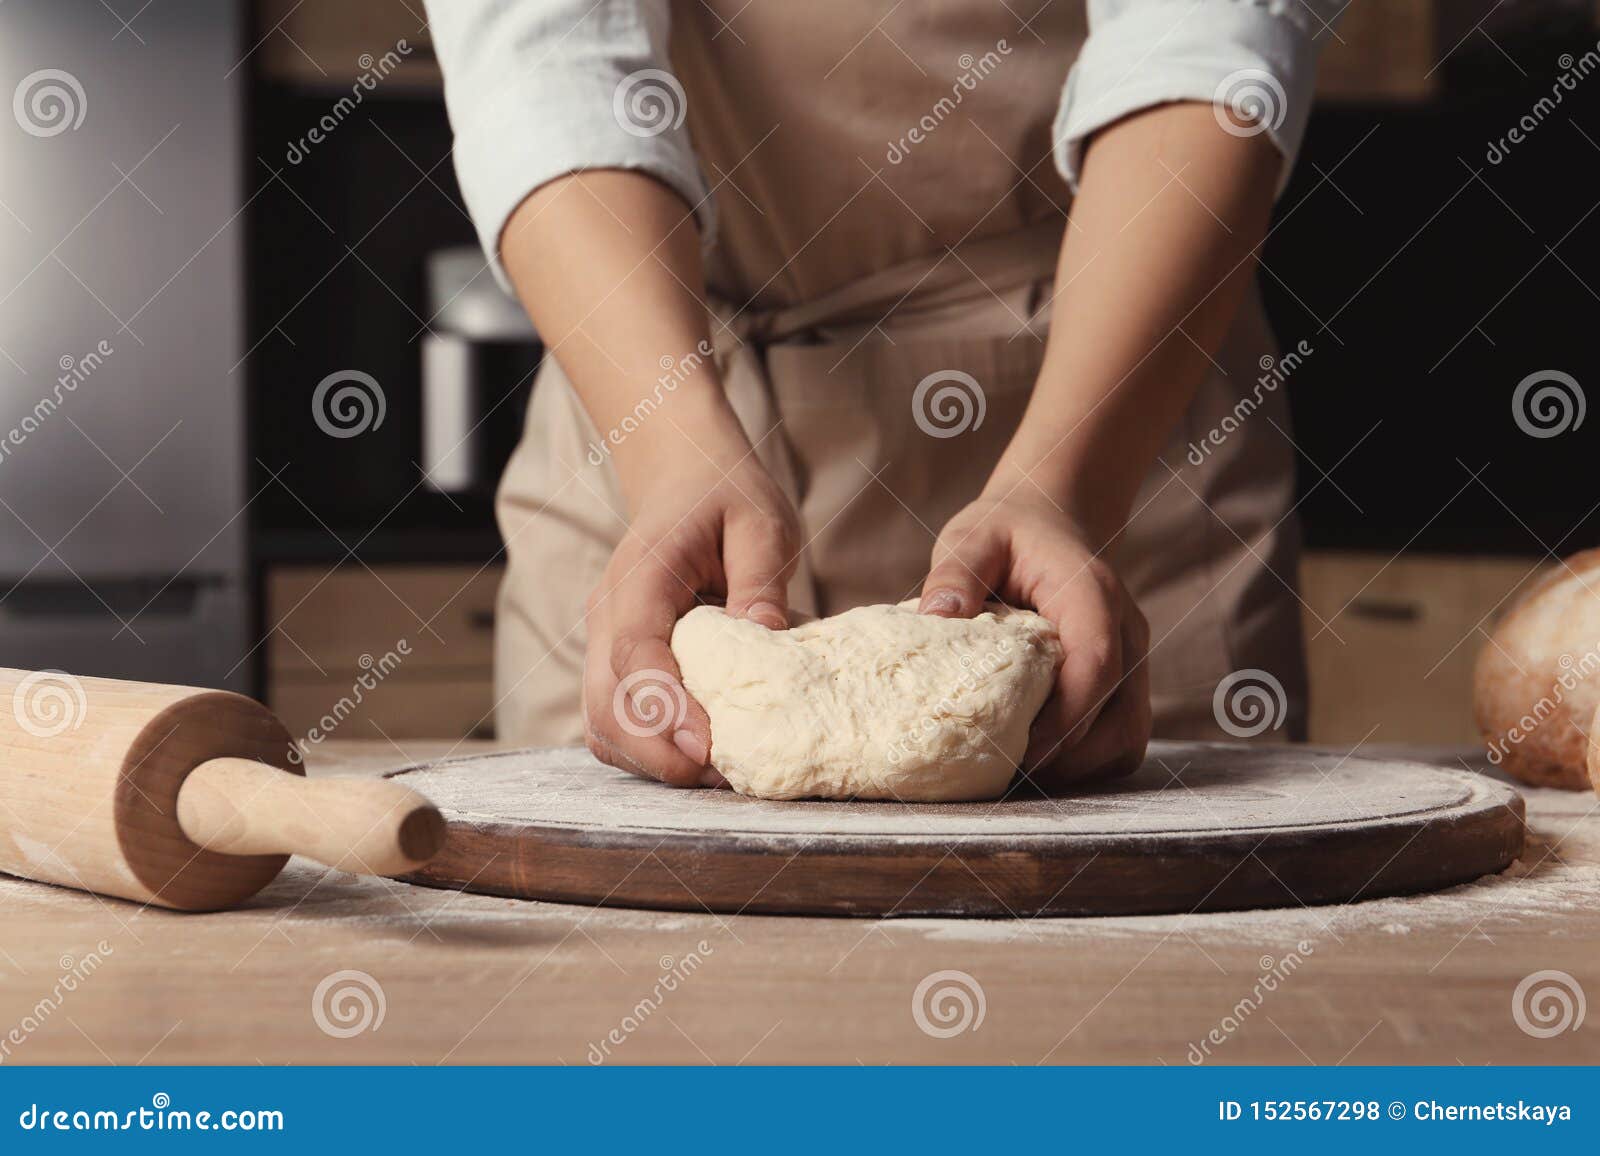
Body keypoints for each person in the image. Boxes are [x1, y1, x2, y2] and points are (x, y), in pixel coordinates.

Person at [423, 0, 1339, 790]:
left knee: (1147, 967)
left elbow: (1202, 42)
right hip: (646, 405)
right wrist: (672, 451)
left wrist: (1068, 484)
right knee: (615, 962)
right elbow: (542, 56)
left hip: (1116, 413)